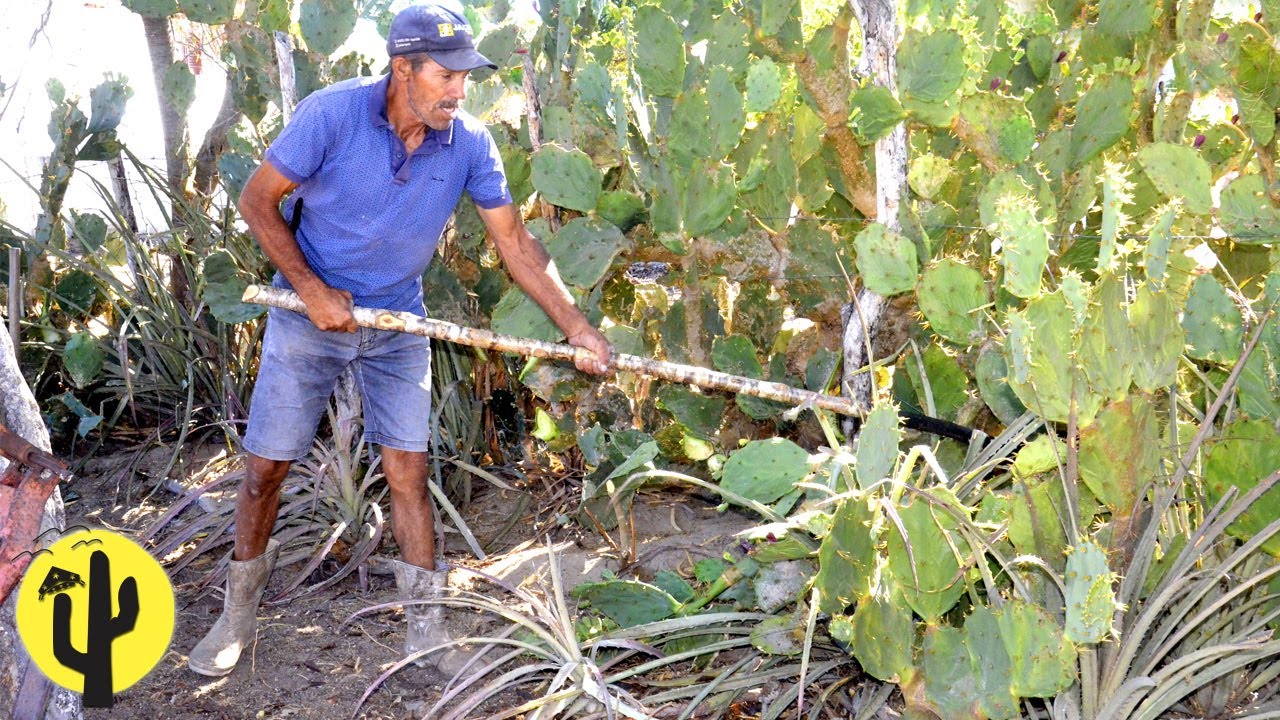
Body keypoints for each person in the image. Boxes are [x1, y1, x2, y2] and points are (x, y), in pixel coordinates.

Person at [187, 0, 611, 678]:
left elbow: (517, 244)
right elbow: (257, 201)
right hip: (306, 313)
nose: (459, 91)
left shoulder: (468, 141)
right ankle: (237, 616)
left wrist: (578, 327)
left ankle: (427, 634)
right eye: (446, 76)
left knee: (409, 474)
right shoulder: (332, 114)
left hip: (398, 324)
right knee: (265, 468)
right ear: (402, 68)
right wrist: (309, 289)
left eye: (466, 77)